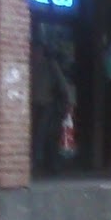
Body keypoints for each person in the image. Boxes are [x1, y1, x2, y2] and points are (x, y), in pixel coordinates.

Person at [31, 36, 73, 174]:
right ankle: (39, 163)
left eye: (38, 50)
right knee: (36, 135)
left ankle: (41, 163)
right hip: (33, 106)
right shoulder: (29, 65)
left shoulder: (50, 65)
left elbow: (62, 84)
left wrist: (67, 102)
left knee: (42, 135)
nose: (35, 53)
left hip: (46, 105)